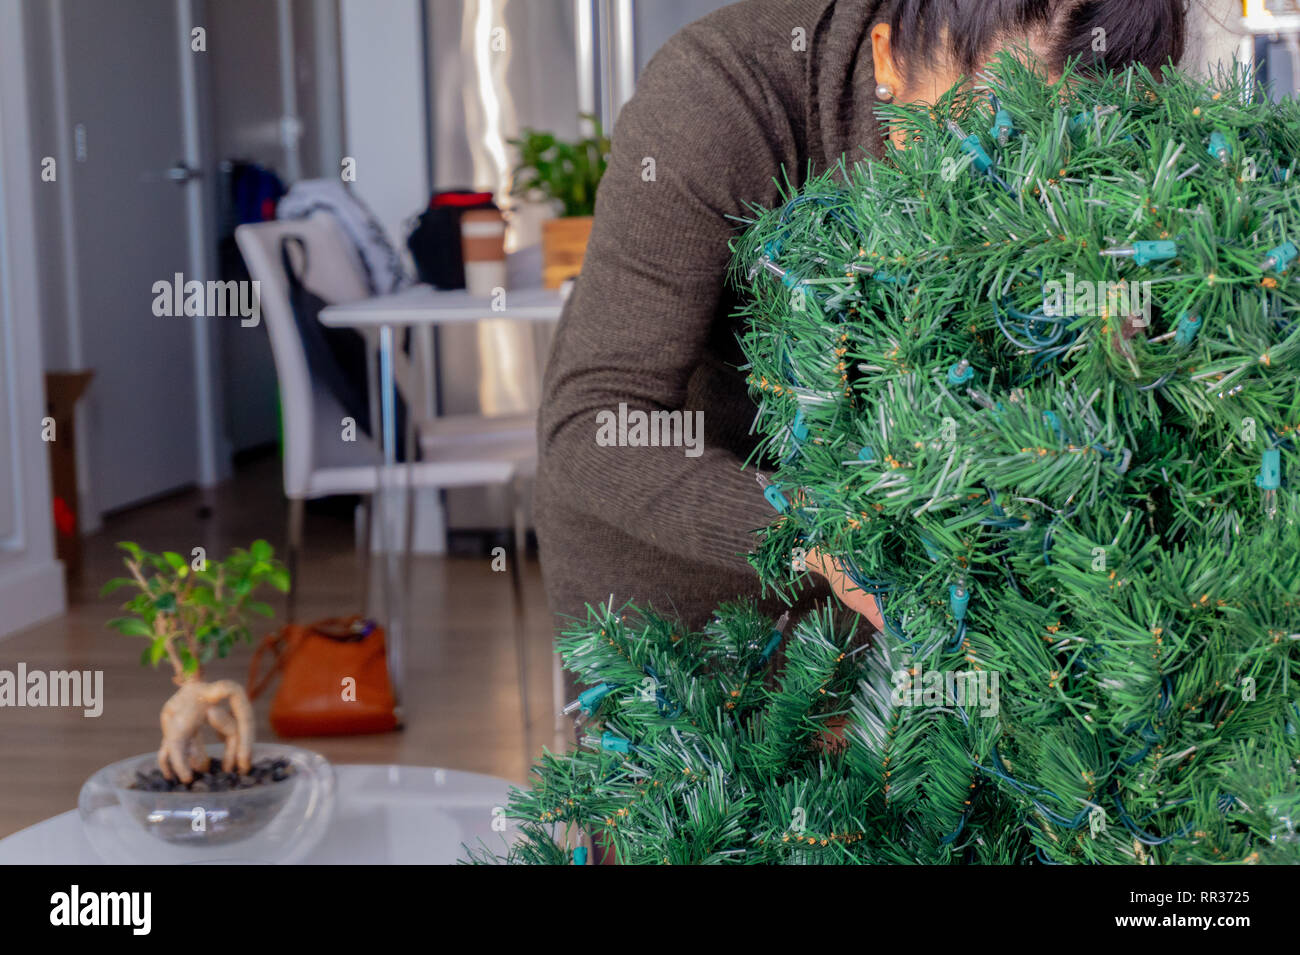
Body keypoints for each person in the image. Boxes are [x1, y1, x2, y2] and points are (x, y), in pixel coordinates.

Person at [535, 0, 1188, 640]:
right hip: (685, 612)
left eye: (1064, 160)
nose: (1012, 196)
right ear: (887, 60)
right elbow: (590, 422)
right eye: (986, 135)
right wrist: (817, 535)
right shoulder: (718, 94)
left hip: (922, 595)